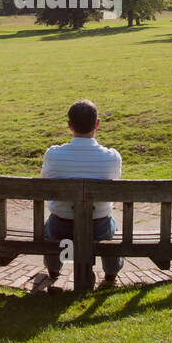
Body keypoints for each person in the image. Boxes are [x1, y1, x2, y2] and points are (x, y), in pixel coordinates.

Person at [39, 99, 123, 288]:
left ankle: (53, 267)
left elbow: (44, 181)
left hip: (61, 225)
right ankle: (111, 272)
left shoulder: (53, 155)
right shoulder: (112, 158)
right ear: (97, 124)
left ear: (69, 125)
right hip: (98, 226)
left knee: (50, 226)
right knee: (111, 224)